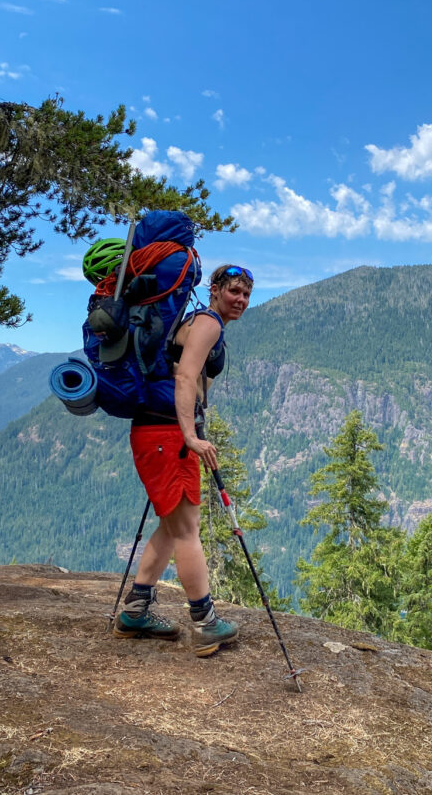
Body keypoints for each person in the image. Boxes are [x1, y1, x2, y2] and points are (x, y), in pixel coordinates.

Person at [114, 264, 254, 656]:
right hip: (167, 436)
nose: (240, 300)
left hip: (158, 433)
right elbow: (185, 378)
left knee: (171, 524)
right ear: (214, 290)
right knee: (187, 530)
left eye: (246, 294)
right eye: (234, 292)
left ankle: (136, 611)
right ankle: (206, 623)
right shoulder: (207, 324)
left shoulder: (194, 319)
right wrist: (190, 436)